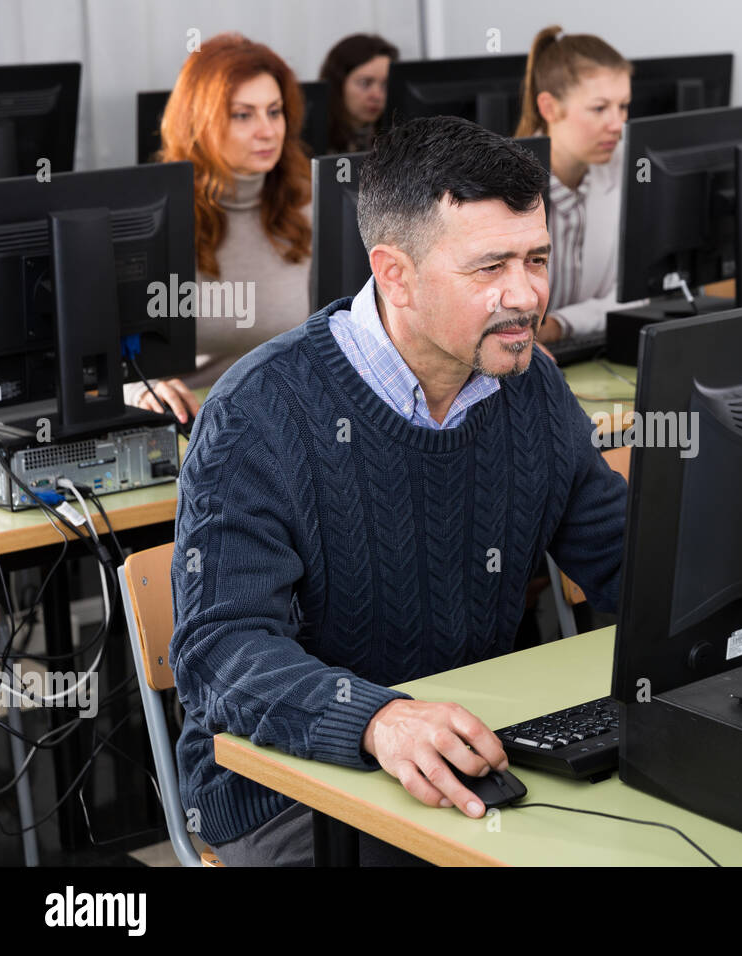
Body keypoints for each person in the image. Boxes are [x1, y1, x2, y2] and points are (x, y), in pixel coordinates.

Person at [170, 116, 628, 866]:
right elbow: (222, 652)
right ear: (395, 274)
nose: (527, 295)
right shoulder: (257, 412)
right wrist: (377, 721)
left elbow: (620, 554)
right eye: (490, 269)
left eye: (537, 258)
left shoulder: (530, 385)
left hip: (470, 742)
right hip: (286, 786)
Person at [128, 33, 312, 426]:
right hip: (193, 427)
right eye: (243, 115)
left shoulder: (312, 206)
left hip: (296, 422)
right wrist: (139, 388)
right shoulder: (153, 219)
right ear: (201, 122)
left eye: (274, 111)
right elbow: (103, 354)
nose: (267, 131)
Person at [514, 26, 634, 344]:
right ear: (549, 108)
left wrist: (558, 325)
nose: (616, 125)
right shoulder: (504, 185)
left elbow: (634, 294)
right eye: (599, 108)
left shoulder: (628, 165)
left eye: (623, 106)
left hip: (583, 348)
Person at [319, 33, 398, 153]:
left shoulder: (395, 138)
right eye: (365, 83)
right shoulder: (312, 139)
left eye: (385, 85)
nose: (378, 96)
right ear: (338, 84)